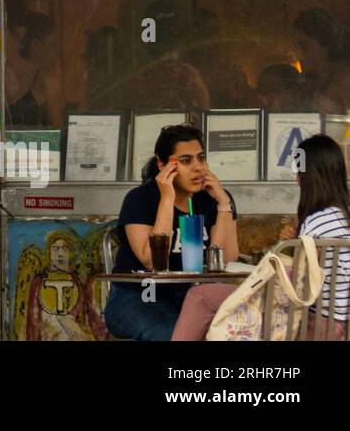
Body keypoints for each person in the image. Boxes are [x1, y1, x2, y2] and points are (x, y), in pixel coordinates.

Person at [173, 133, 350, 340]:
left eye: (298, 170)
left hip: (308, 323)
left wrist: (269, 263)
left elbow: (293, 285)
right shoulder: (342, 216)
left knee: (200, 296)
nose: (296, 177)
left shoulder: (316, 221)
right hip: (338, 325)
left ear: (310, 174)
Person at [103, 124, 239, 341]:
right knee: (172, 334)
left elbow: (227, 261)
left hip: (195, 297)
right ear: (162, 164)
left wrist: (223, 204)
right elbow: (150, 260)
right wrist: (167, 199)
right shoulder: (140, 199)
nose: (198, 168)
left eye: (201, 158)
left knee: (236, 331)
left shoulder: (213, 199)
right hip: (141, 295)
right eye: (186, 161)